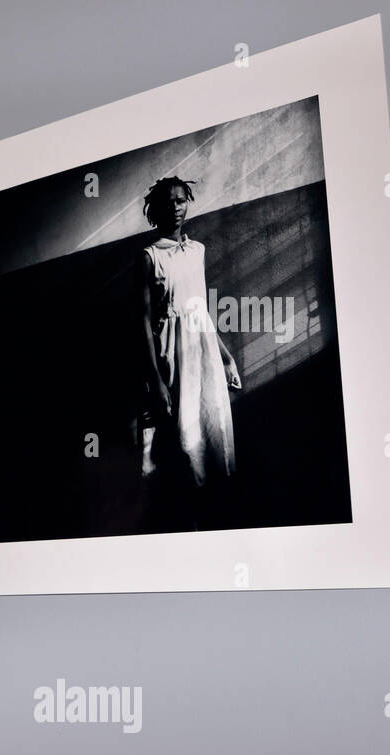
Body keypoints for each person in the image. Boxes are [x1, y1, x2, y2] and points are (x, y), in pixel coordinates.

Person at [137, 176, 242, 532]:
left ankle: (218, 516)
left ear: (187, 202)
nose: (176, 207)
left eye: (181, 200)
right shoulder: (150, 257)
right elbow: (143, 323)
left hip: (204, 352)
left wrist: (225, 357)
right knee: (183, 437)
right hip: (173, 355)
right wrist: (156, 382)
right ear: (156, 210)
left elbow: (201, 309)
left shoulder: (197, 250)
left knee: (212, 424)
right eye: (168, 202)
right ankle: (189, 521)